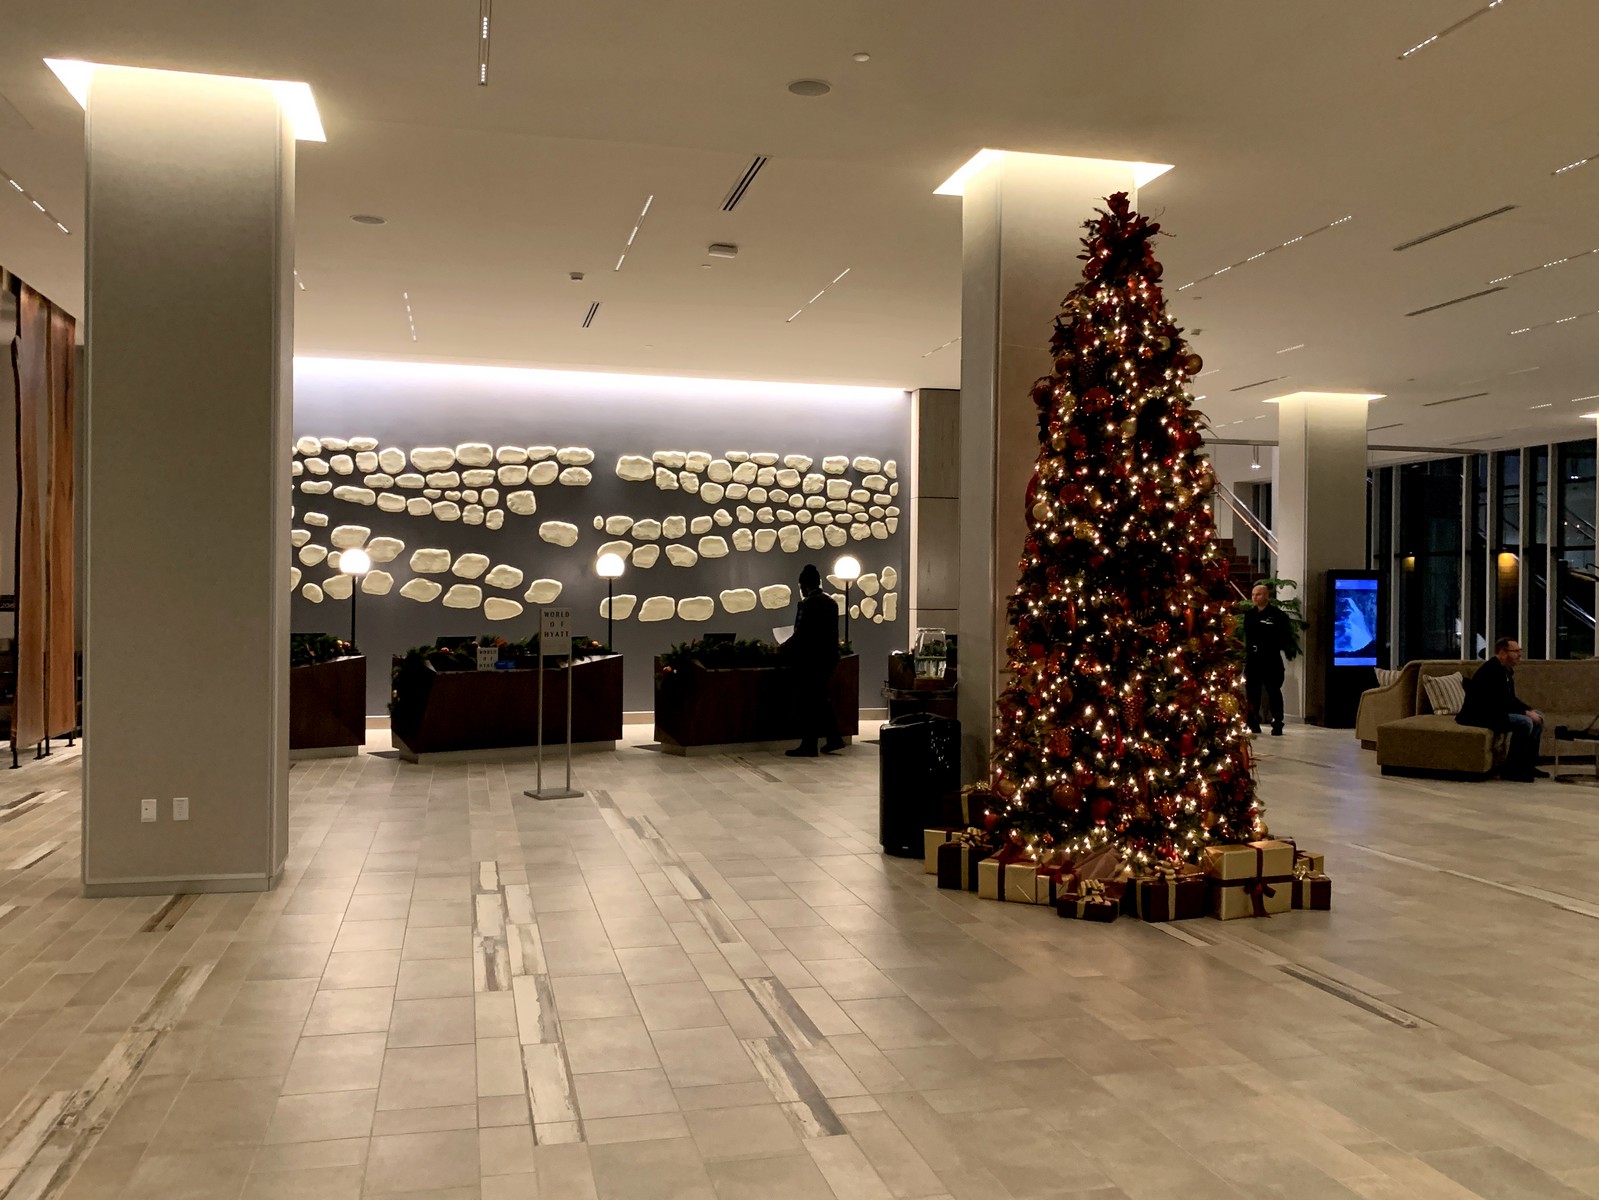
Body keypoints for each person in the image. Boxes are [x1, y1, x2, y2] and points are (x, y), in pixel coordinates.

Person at [1457, 637, 1547, 781]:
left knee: (1538, 717)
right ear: (1503, 653)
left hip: (1495, 712)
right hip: (1480, 715)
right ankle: (1512, 770)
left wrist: (1528, 709)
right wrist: (1525, 713)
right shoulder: (1492, 670)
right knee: (1525, 722)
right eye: (1516, 651)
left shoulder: (1505, 670)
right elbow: (1500, 700)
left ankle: (1527, 765)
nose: (1519, 655)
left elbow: (1510, 698)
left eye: (1520, 651)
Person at [782, 564, 844, 757]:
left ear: (804, 585)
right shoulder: (831, 603)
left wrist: (782, 648)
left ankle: (809, 745)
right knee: (822, 699)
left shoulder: (808, 604)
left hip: (809, 661)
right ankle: (834, 738)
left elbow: (801, 634)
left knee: (808, 703)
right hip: (828, 659)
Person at [1243, 582, 1291, 736]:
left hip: (1271, 660)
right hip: (1253, 660)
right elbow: (1248, 636)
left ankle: (1277, 722)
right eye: (1253, 595)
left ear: (1266, 596)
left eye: (1258, 594)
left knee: (1273, 691)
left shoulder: (1277, 615)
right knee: (1252, 693)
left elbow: (1284, 637)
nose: (1255, 597)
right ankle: (1253, 721)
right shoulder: (1249, 615)